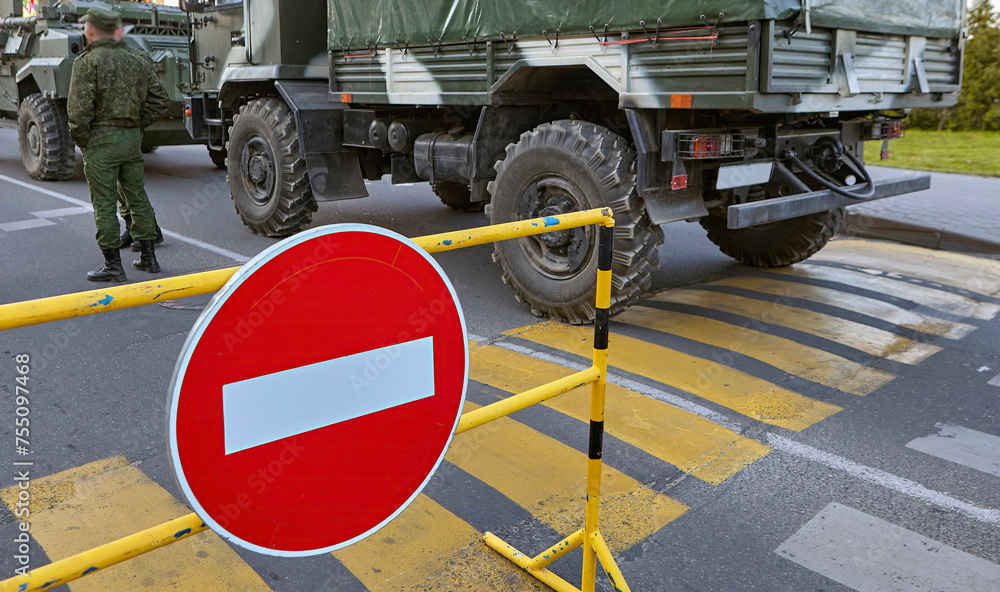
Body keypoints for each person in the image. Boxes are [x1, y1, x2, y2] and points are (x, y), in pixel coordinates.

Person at [67, 6, 170, 282]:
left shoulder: (87, 61)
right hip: (131, 139)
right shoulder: (137, 59)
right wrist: (136, 125)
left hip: (101, 141)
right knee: (137, 195)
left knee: (103, 204)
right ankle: (149, 257)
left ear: (91, 30)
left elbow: (77, 113)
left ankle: (113, 265)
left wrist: (84, 141)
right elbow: (161, 99)